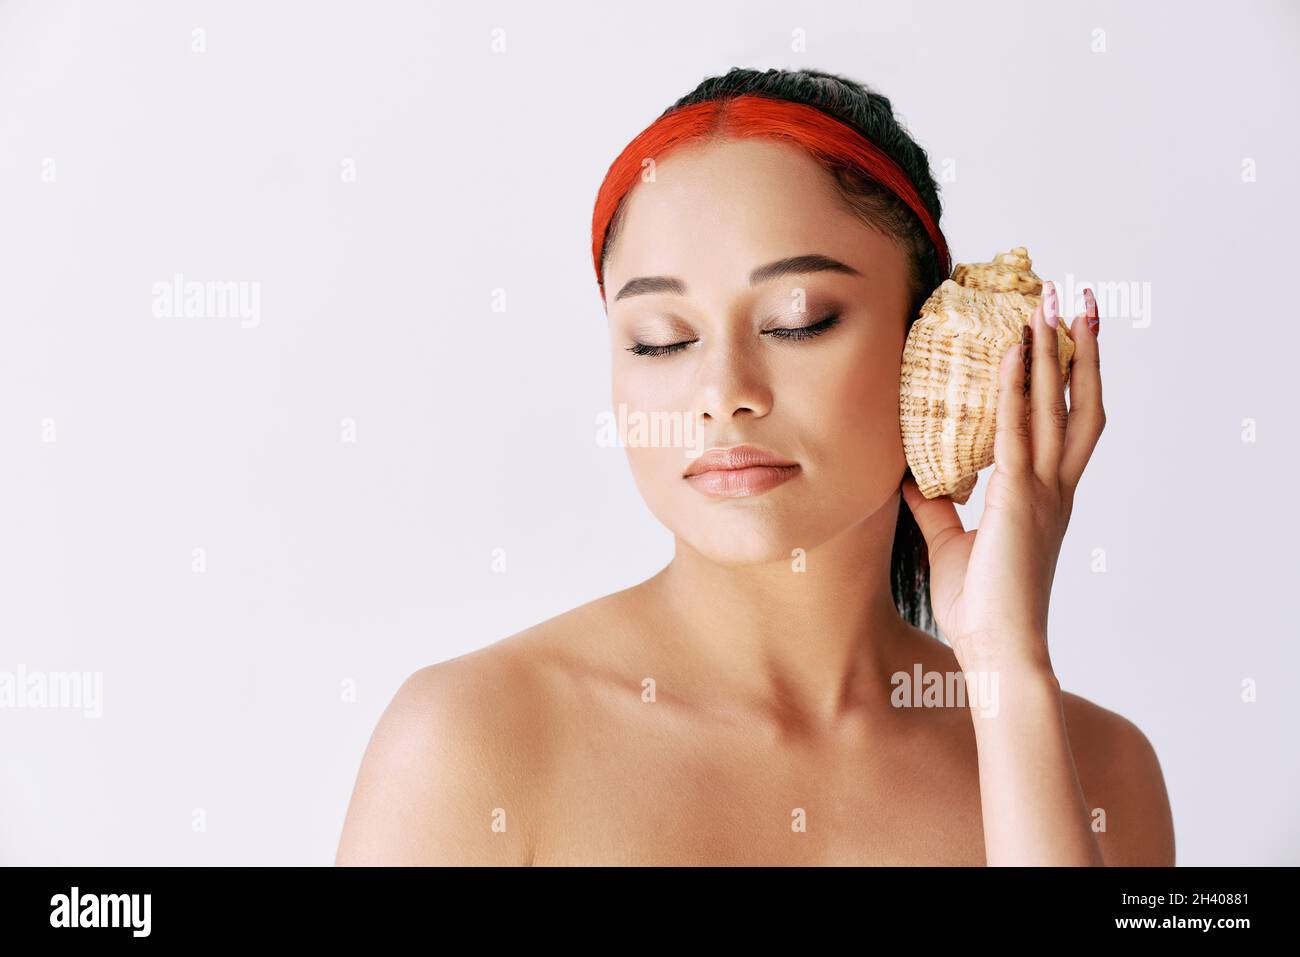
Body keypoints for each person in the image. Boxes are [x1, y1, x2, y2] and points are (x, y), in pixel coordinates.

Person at [336, 67, 1174, 866]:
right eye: (660, 339)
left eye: (797, 321)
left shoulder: (1101, 773)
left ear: (923, 337)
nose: (722, 392)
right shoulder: (469, 741)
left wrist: (1003, 667)